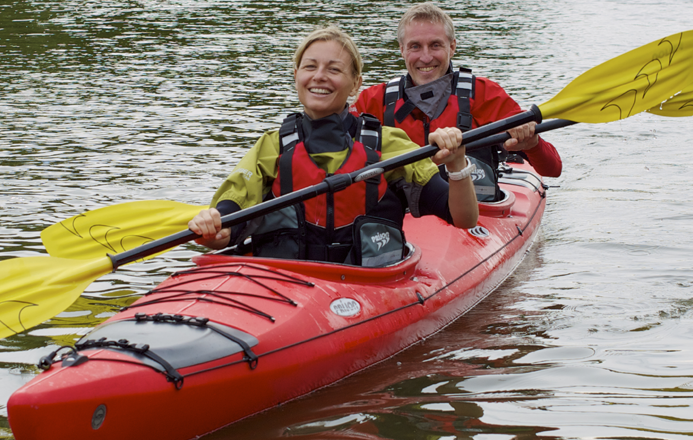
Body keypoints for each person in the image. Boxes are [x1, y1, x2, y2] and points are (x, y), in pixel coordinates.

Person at [188, 26, 478, 267]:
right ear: (296, 75)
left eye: (334, 69)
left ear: (355, 84)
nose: (319, 76)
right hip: (284, 283)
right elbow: (226, 228)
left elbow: (463, 218)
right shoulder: (271, 146)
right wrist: (213, 226)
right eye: (310, 66)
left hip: (370, 285)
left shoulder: (388, 145)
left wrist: (456, 164)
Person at [352, 2, 563, 194]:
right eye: (415, 46)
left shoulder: (484, 93)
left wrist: (532, 143)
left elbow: (553, 168)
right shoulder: (373, 100)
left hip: (473, 216)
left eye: (435, 45)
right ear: (402, 50)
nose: (426, 57)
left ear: (452, 47)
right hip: (402, 215)